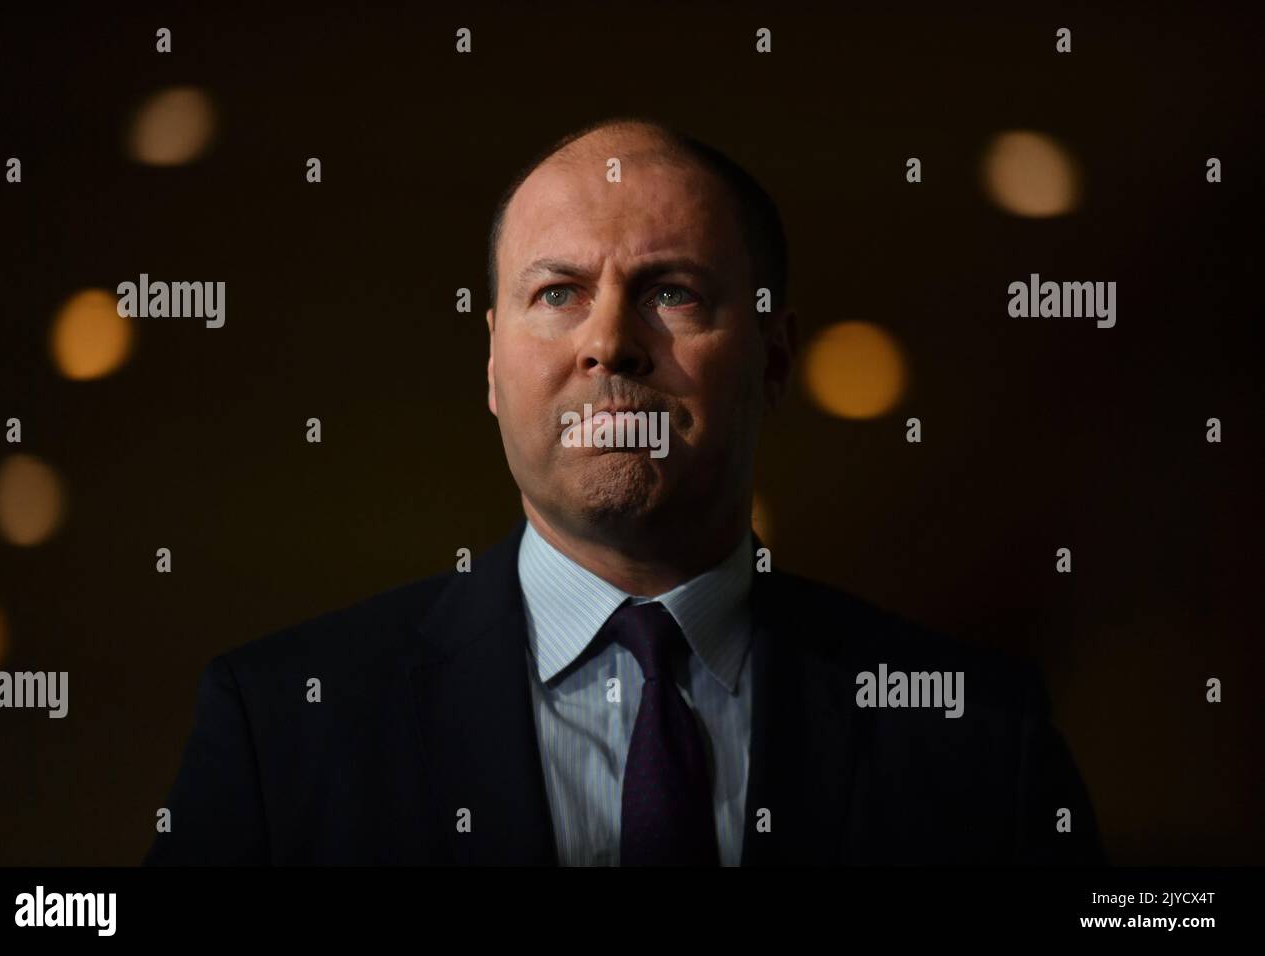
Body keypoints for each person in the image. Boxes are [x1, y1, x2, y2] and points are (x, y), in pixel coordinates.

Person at [144, 117, 1105, 866]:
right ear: (490, 364)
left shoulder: (980, 736)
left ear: (774, 355)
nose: (610, 340)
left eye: (672, 291)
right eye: (557, 292)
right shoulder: (280, 727)